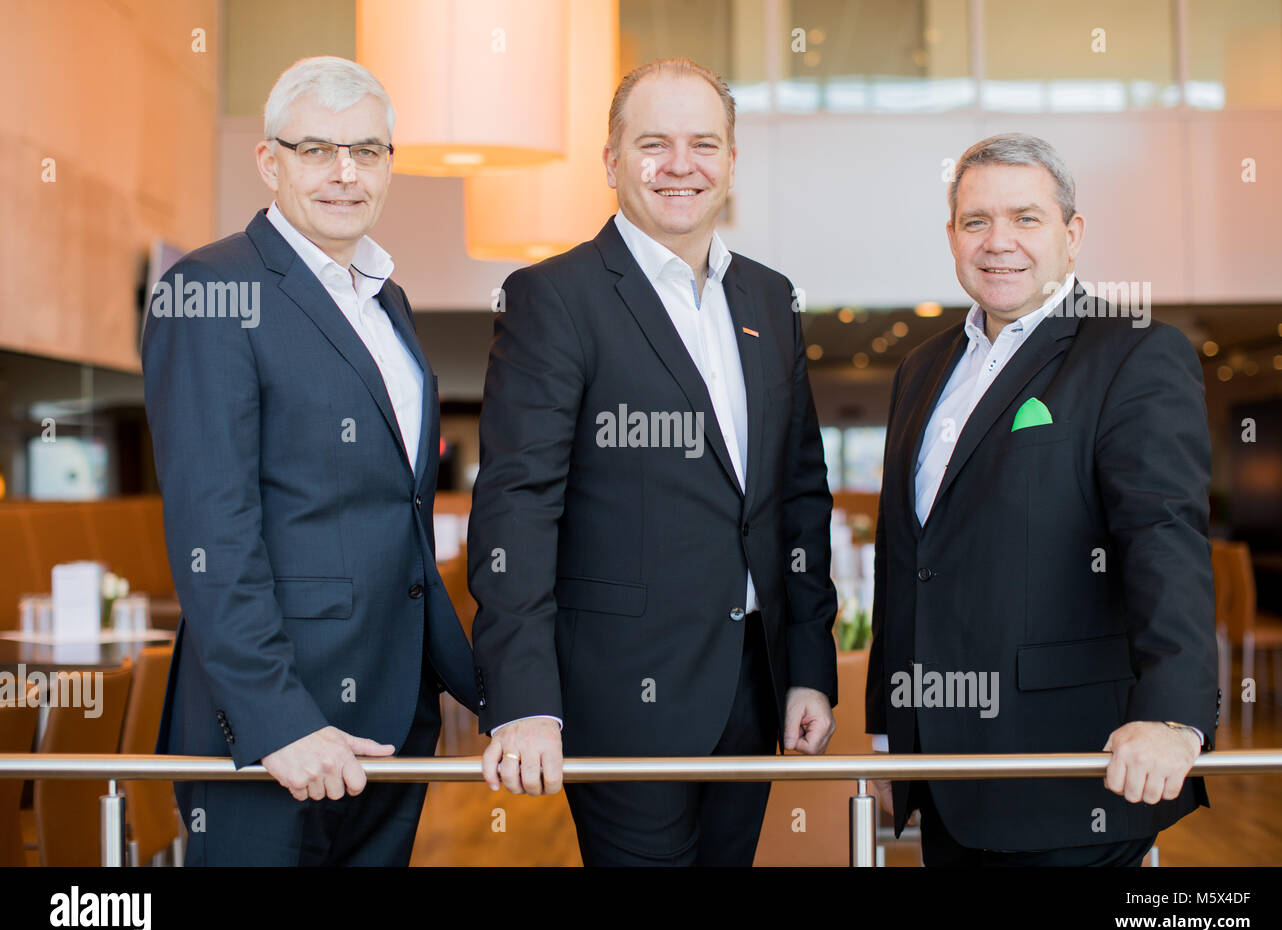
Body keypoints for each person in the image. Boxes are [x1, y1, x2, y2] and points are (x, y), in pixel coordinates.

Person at [468, 58, 838, 866]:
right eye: (653, 144)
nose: (681, 165)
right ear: (610, 162)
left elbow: (798, 496)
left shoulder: (770, 301)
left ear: (732, 162)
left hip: (753, 690)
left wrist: (809, 666)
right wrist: (525, 701)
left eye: (704, 143)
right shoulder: (554, 298)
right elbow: (517, 508)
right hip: (619, 695)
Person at [142, 56, 475, 865]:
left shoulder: (383, 299)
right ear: (270, 161)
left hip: (392, 711)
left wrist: (472, 685)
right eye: (316, 150)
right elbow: (213, 528)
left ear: (391, 163)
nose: (344, 174)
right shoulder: (211, 290)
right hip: (273, 728)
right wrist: (277, 720)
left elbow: (397, 515)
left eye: (367, 150)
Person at [866, 132, 1220, 866]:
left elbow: (1163, 535)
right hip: (944, 771)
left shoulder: (1133, 350)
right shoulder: (922, 368)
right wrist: (890, 732)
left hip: (1070, 767)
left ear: (1072, 234)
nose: (1000, 243)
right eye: (976, 222)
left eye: (1026, 218)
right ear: (952, 237)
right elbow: (909, 561)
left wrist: (1173, 717)